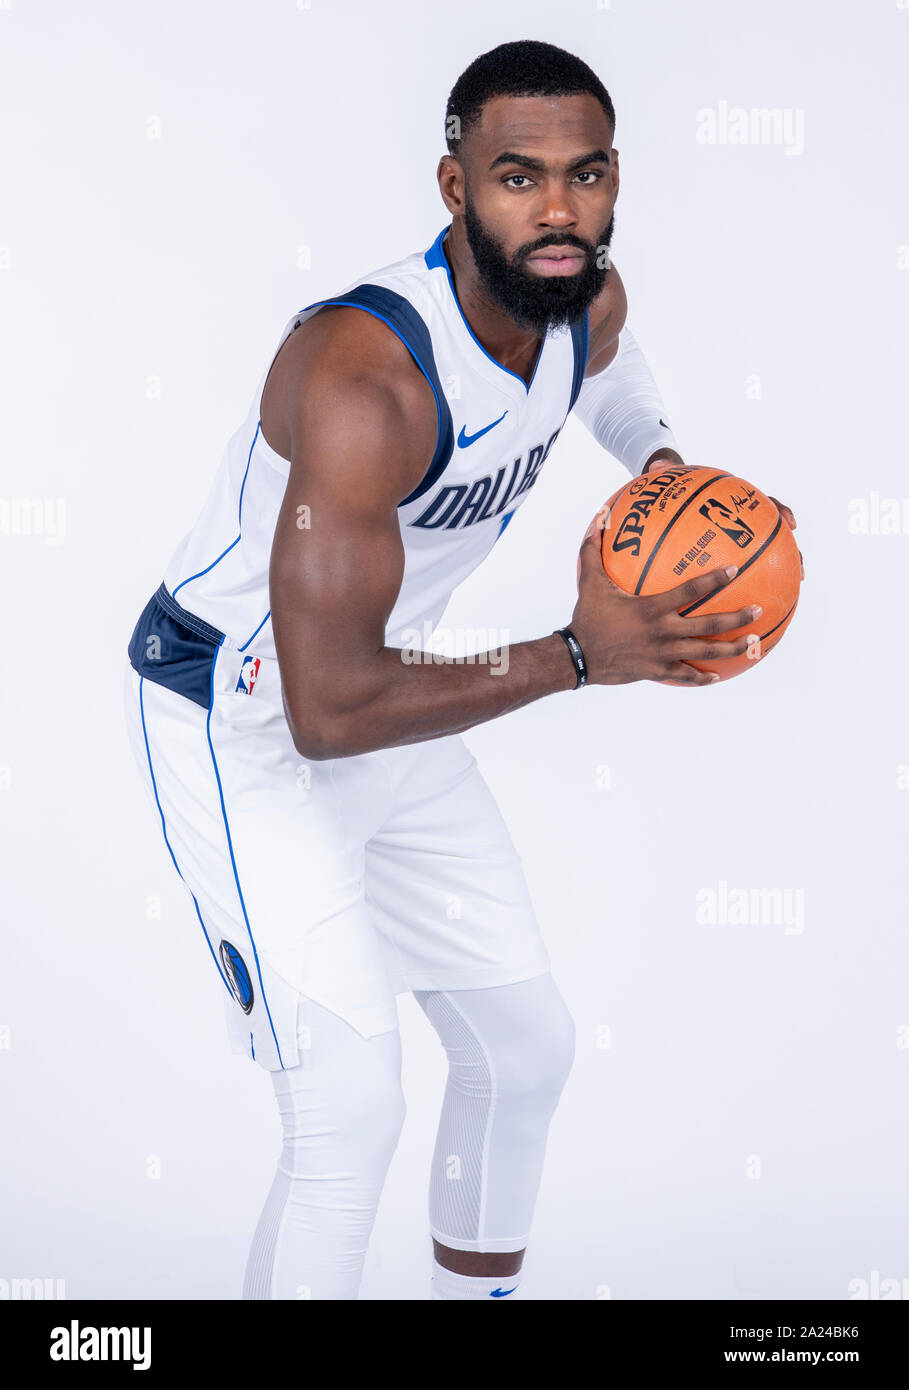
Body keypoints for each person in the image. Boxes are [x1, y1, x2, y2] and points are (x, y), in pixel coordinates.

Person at [123, 39, 800, 1301]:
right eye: (516, 177)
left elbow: (605, 362)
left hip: (385, 683)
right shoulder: (364, 380)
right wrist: (580, 655)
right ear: (453, 189)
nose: (557, 210)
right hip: (241, 715)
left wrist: (660, 466)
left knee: (523, 1048)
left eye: (586, 176)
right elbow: (324, 715)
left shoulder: (576, 290)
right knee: (346, 1113)